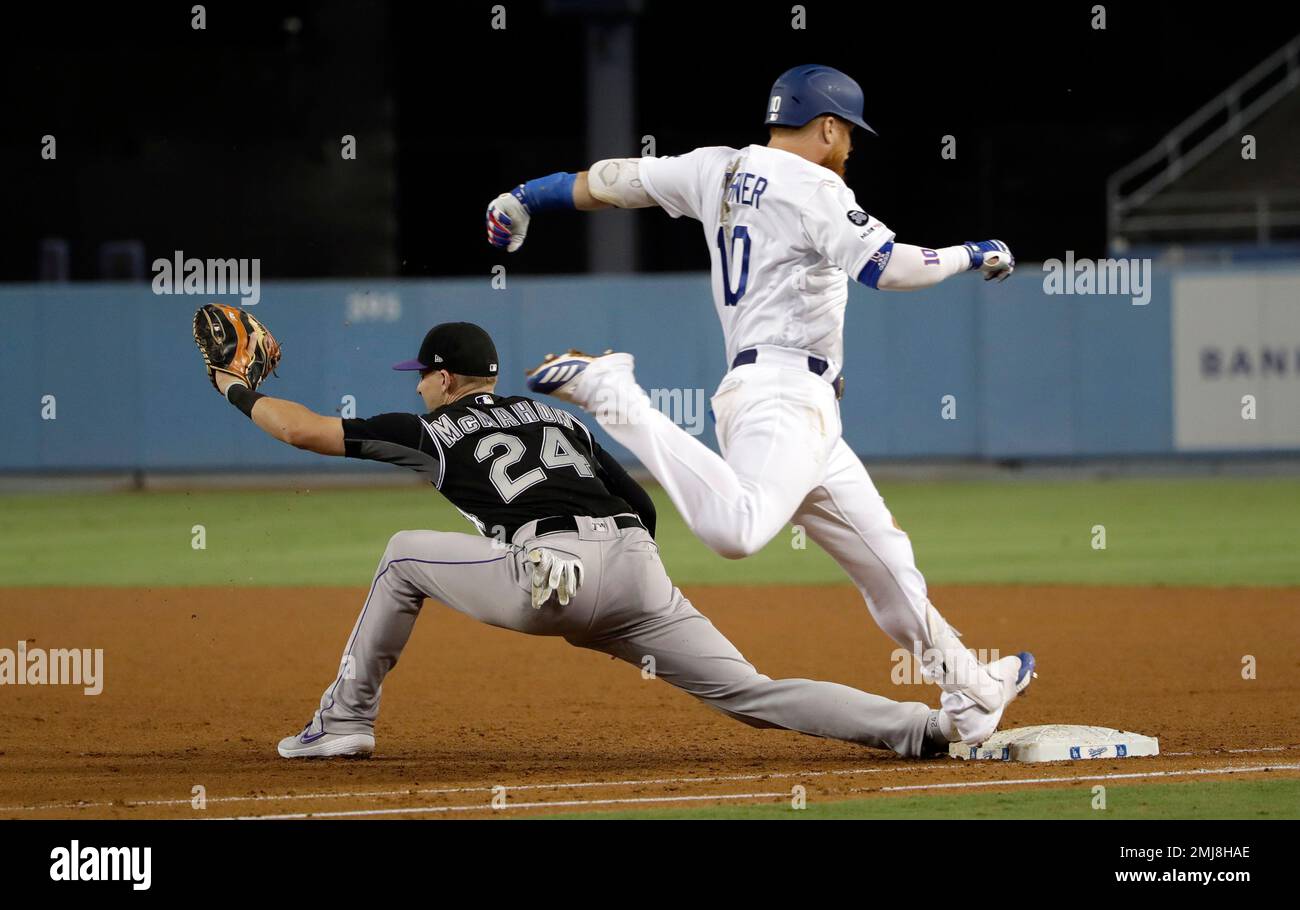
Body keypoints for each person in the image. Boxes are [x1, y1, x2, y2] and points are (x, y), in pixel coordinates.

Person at [485, 64, 1029, 746]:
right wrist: (974, 253)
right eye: (849, 133)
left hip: (802, 411)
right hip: (782, 399)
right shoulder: (816, 187)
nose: (853, 147)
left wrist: (523, 198)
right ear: (828, 127)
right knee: (737, 530)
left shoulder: (716, 168)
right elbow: (890, 267)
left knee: (889, 565)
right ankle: (612, 393)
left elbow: (612, 181)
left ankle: (974, 693)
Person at [198, 313, 1007, 758]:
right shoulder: (557, 415)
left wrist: (234, 388)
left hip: (551, 572)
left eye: (427, 376)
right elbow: (639, 504)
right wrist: (624, 591)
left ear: (442, 378)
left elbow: (302, 432)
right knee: (752, 692)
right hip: (636, 569)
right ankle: (925, 729)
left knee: (402, 555)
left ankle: (345, 721)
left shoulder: (431, 428)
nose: (426, 386)